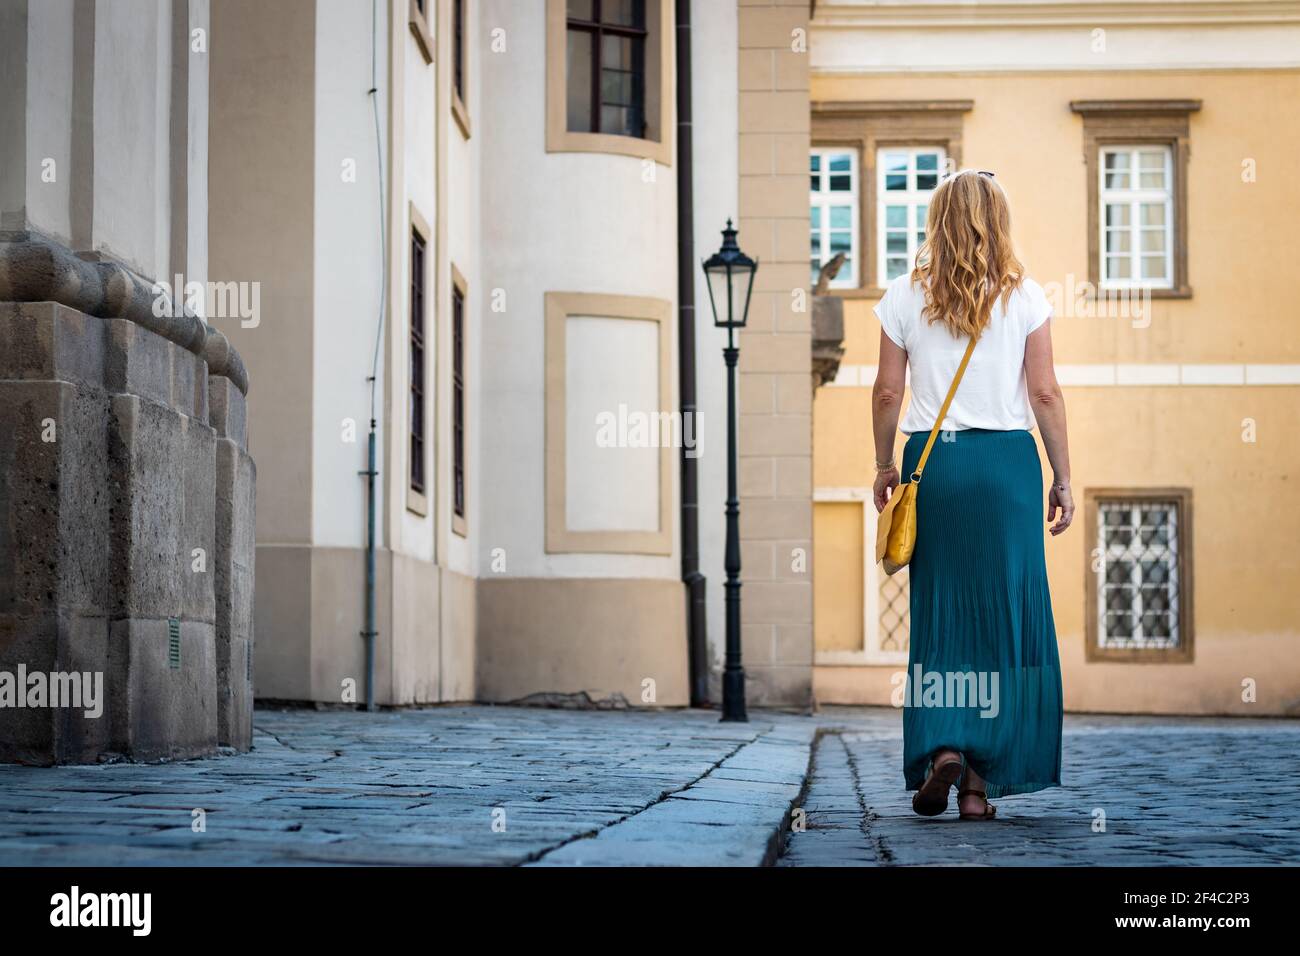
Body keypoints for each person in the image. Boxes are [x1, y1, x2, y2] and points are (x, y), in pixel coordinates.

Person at [871, 169, 1073, 821]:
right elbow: (1044, 393)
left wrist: (884, 465)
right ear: (999, 220)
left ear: (937, 219)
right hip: (1008, 468)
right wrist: (1062, 474)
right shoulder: (1026, 297)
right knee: (1003, 621)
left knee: (940, 617)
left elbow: (886, 392)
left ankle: (943, 752)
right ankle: (978, 788)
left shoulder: (904, 295)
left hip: (937, 468)